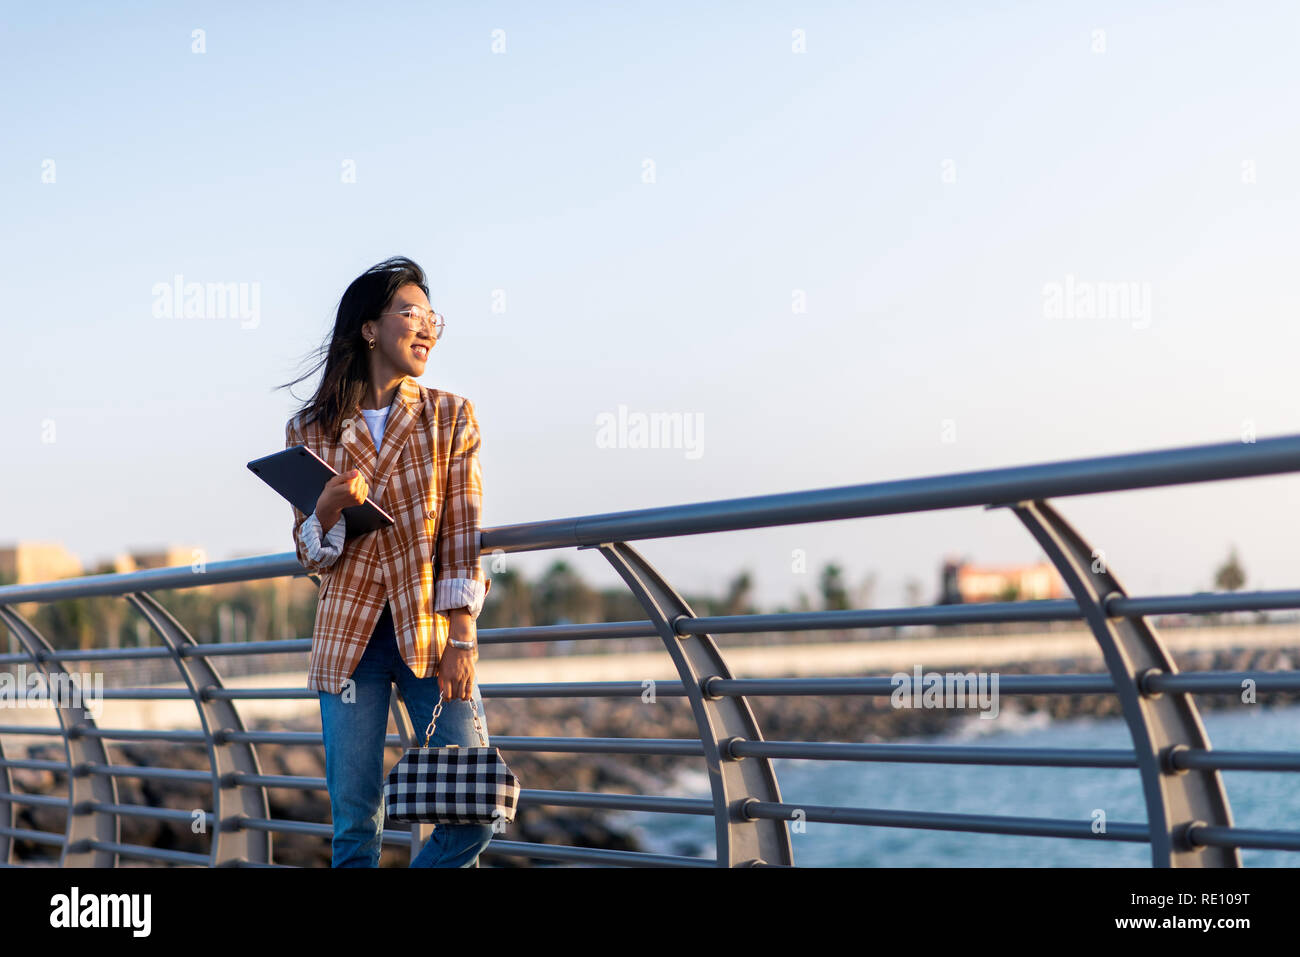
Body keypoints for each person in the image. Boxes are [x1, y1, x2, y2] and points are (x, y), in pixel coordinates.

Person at [277, 255, 494, 867]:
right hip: (348, 642)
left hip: (429, 634)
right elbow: (309, 554)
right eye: (411, 313)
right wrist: (324, 507)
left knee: (475, 813)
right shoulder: (311, 429)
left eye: (433, 318)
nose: (426, 328)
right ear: (370, 328)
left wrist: (464, 639)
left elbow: (462, 533)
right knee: (355, 828)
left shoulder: (450, 416)